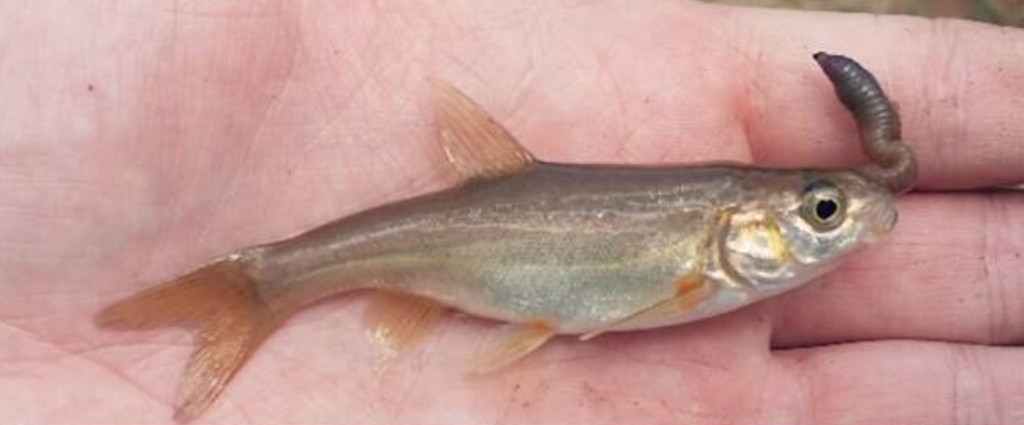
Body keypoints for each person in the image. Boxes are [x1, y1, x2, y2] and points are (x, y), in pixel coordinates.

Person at [2, 0, 1022, 423]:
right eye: (823, 209)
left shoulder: (715, 252)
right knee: (282, 269)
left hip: (478, 257)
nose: (845, 222)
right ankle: (260, 283)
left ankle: (264, 284)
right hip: (441, 248)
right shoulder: (699, 261)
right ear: (739, 226)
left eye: (823, 210)